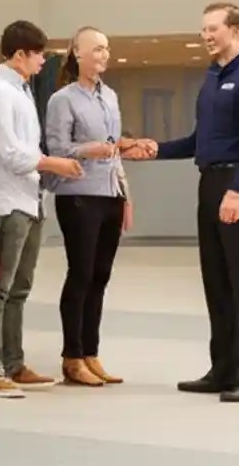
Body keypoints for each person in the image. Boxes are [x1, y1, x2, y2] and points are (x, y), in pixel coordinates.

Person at [138, 2, 239, 403]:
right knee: (217, 281)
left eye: (212, 28)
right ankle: (224, 370)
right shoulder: (213, 79)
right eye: (203, 29)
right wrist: (155, 149)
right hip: (210, 182)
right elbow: (198, 141)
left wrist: (237, 190)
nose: (205, 35)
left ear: (236, 30)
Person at [0, 20, 84, 398]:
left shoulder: (18, 89)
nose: (41, 62)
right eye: (38, 55)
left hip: (28, 200)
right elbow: (12, 155)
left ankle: (14, 364)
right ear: (20, 54)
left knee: (19, 289)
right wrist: (56, 165)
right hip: (6, 202)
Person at [44, 26, 146, 387]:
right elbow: (57, 149)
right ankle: (71, 357)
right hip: (78, 194)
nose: (104, 55)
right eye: (98, 49)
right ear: (78, 53)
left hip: (109, 194)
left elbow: (114, 150)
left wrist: (125, 194)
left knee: (101, 276)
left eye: (107, 48)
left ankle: (91, 352)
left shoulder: (110, 97)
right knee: (81, 274)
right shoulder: (63, 100)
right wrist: (91, 149)